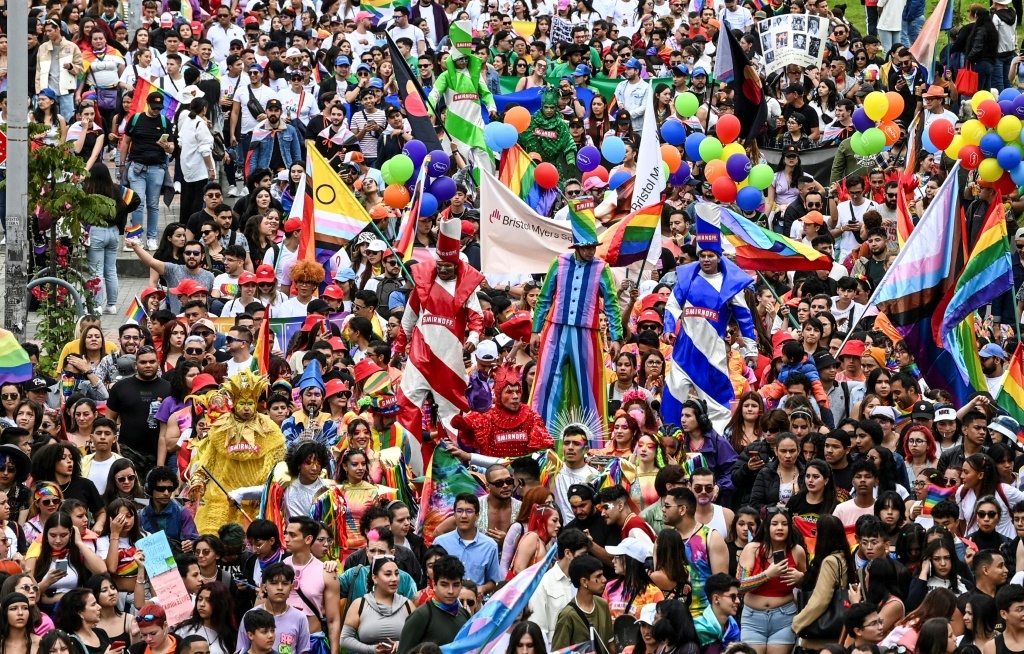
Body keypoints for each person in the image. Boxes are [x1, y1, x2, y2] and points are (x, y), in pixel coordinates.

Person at [530, 196, 623, 434]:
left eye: (593, 246)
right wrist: (535, 330)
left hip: (587, 333)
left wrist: (615, 337)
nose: (591, 250)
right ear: (577, 247)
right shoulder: (559, 263)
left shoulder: (602, 268)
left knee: (589, 384)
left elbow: (612, 305)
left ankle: (593, 441)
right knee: (548, 381)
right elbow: (543, 298)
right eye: (586, 246)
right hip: (555, 329)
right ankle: (541, 435)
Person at [663, 205, 758, 434]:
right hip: (684, 351)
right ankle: (669, 441)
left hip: (713, 352)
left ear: (718, 257)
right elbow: (673, 304)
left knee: (717, 404)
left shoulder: (730, 284)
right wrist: (668, 327)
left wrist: (752, 349)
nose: (706, 259)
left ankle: (719, 447)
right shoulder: (687, 278)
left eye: (710, 256)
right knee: (672, 396)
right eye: (702, 255)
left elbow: (745, 317)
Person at [282, 516, 342, 654]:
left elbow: (333, 620)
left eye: (292, 535)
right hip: (283, 641)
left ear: (308, 539)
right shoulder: (280, 568)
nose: (286, 538)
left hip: (313, 642)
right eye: (286, 533)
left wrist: (334, 651)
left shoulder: (326, 572)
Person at [397, 556, 469, 654]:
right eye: (444, 584)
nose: (451, 591)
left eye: (456, 585)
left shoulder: (464, 614)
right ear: (434, 585)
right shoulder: (421, 616)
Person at [552, 555, 615, 652]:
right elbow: (559, 651)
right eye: (598, 576)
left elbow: (610, 645)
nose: (604, 579)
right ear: (584, 581)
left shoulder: (602, 604)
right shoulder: (568, 615)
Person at [693, 573, 742, 653]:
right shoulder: (697, 630)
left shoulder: (734, 629)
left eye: (738, 596)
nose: (738, 601)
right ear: (716, 599)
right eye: (732, 596)